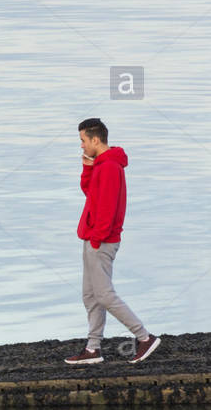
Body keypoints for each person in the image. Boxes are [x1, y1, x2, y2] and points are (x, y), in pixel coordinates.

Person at [64, 118, 160, 365]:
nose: (82, 147)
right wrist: (87, 166)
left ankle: (144, 337)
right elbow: (89, 192)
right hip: (92, 237)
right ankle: (93, 349)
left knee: (104, 294)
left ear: (95, 139)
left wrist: (96, 238)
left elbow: (107, 208)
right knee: (90, 295)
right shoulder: (101, 165)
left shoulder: (109, 167)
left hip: (101, 240)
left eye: (83, 141)